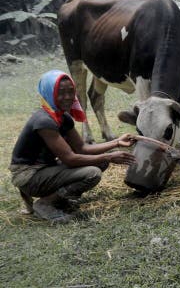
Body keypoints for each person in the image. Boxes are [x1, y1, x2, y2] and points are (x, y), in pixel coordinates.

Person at [9, 70, 137, 222]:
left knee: (100, 161)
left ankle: (58, 199)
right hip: (28, 176)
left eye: (71, 92)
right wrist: (110, 156)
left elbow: (82, 148)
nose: (68, 97)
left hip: (43, 169)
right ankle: (45, 203)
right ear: (48, 93)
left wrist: (116, 142)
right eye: (61, 93)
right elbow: (70, 159)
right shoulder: (44, 121)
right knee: (92, 173)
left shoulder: (62, 116)